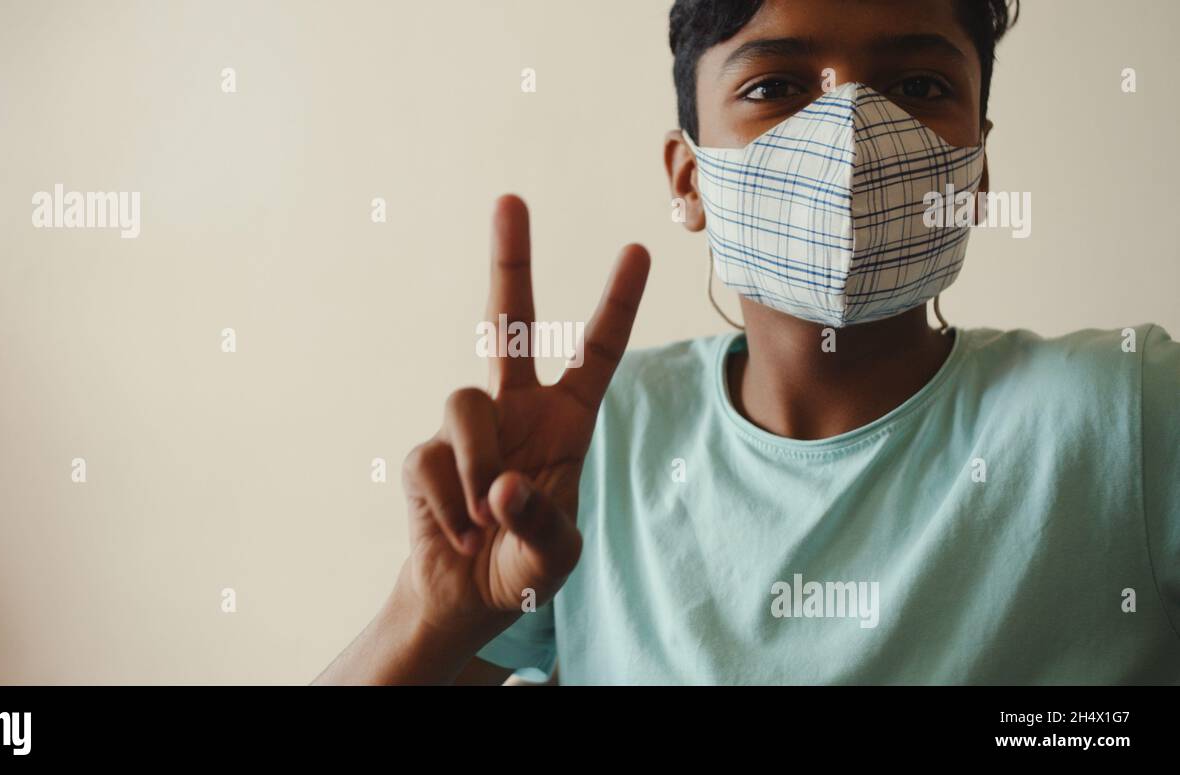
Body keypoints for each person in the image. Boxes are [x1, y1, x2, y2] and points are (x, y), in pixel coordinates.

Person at [317, 0, 1180, 685]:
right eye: (776, 87)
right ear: (689, 180)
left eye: (917, 86)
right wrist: (430, 616)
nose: (851, 131)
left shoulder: (1128, 414)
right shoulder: (585, 455)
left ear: (978, 173)